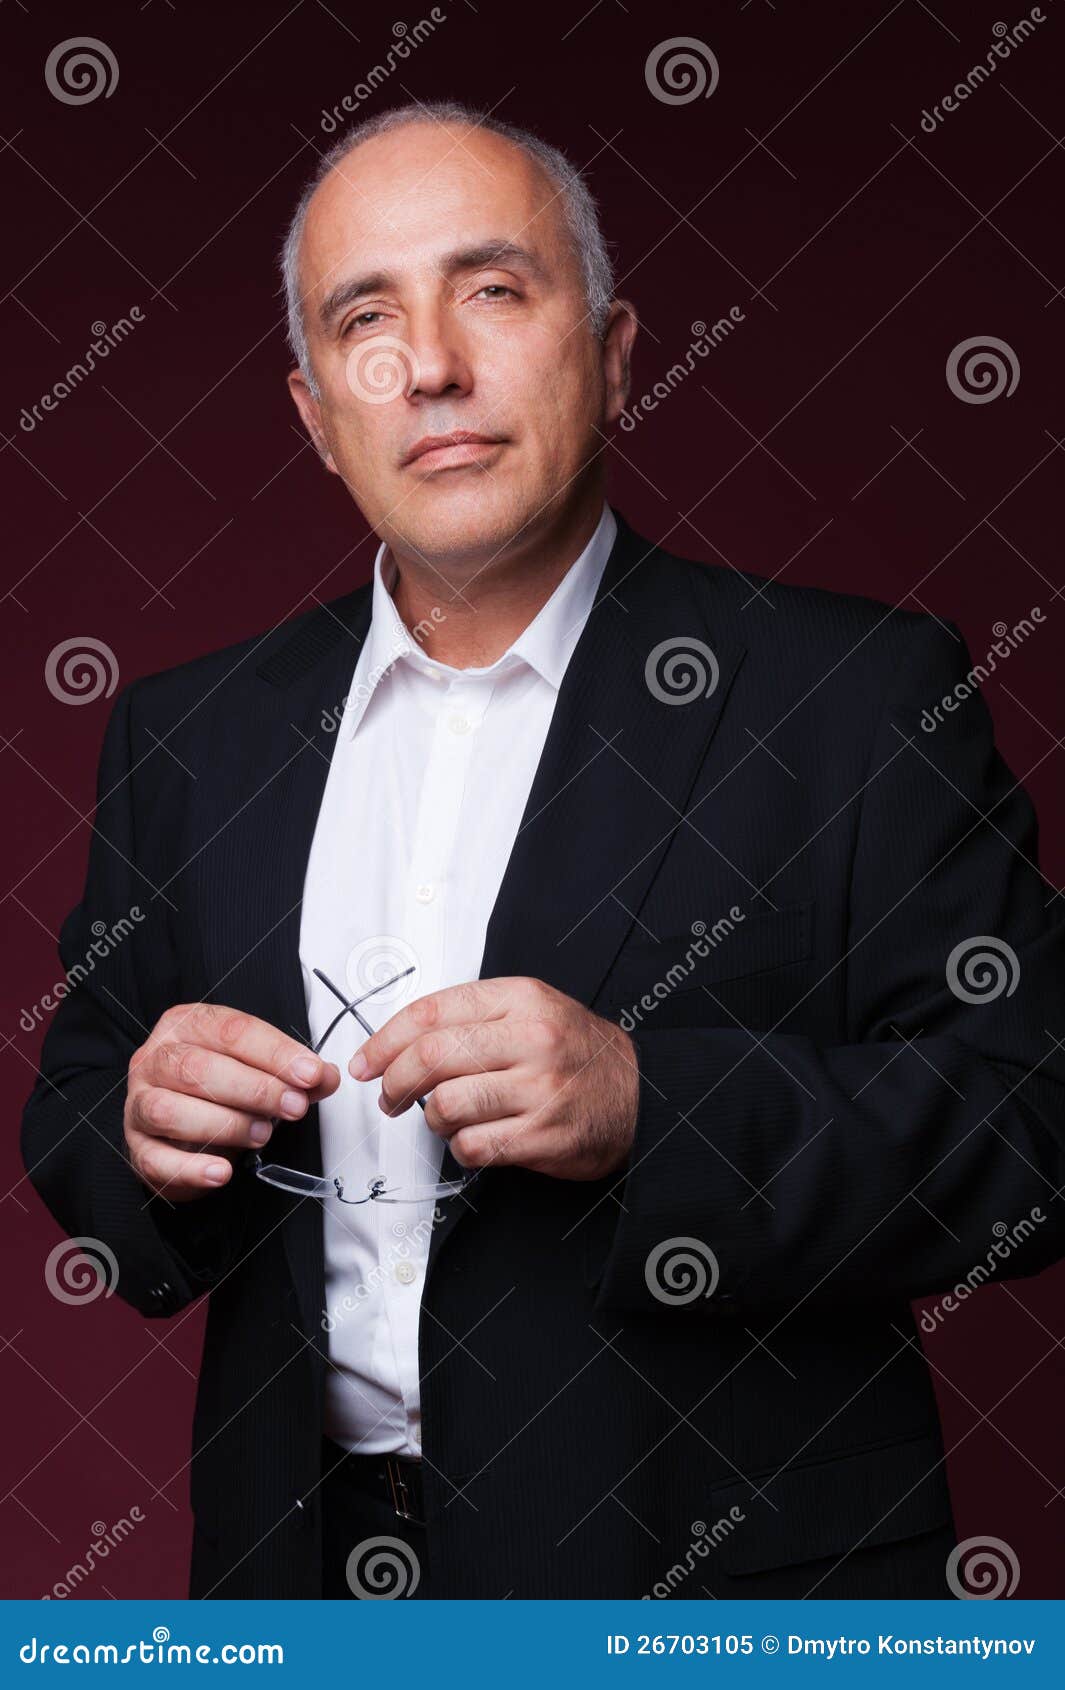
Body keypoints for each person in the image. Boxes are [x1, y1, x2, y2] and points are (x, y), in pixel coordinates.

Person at [22, 100, 1065, 1601]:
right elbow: (78, 1097)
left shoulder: (854, 696)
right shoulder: (193, 737)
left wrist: (659, 1105)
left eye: (493, 290)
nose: (432, 364)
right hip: (295, 1581)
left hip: (716, 1590)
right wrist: (139, 1127)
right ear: (318, 416)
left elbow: (1031, 1123)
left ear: (619, 352)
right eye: (365, 318)